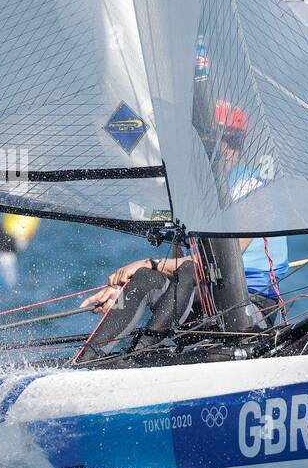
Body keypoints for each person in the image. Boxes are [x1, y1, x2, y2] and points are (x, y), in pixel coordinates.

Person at [78, 101, 289, 357]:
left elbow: (213, 264)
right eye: (220, 139)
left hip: (250, 309)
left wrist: (148, 262)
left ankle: (140, 354)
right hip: (199, 306)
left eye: (235, 141)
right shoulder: (192, 194)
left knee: (187, 270)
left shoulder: (252, 190)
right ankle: (86, 361)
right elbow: (176, 265)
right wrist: (123, 289)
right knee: (146, 278)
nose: (227, 149)